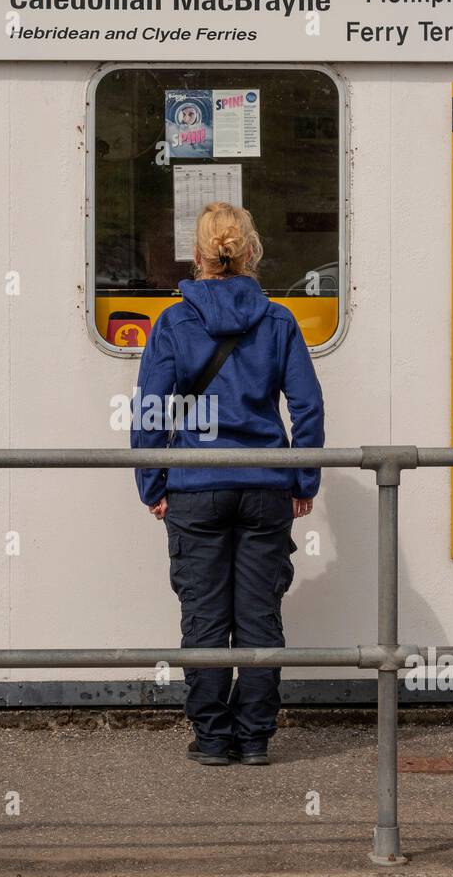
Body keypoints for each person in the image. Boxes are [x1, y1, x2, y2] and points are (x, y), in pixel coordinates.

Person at [131, 201, 325, 766]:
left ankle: (214, 738)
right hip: (265, 486)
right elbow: (307, 407)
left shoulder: (175, 321)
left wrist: (154, 482)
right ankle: (256, 738)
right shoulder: (278, 319)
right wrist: (302, 477)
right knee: (260, 615)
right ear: (250, 251)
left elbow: (150, 410)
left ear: (198, 254)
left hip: (196, 487)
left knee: (205, 617)